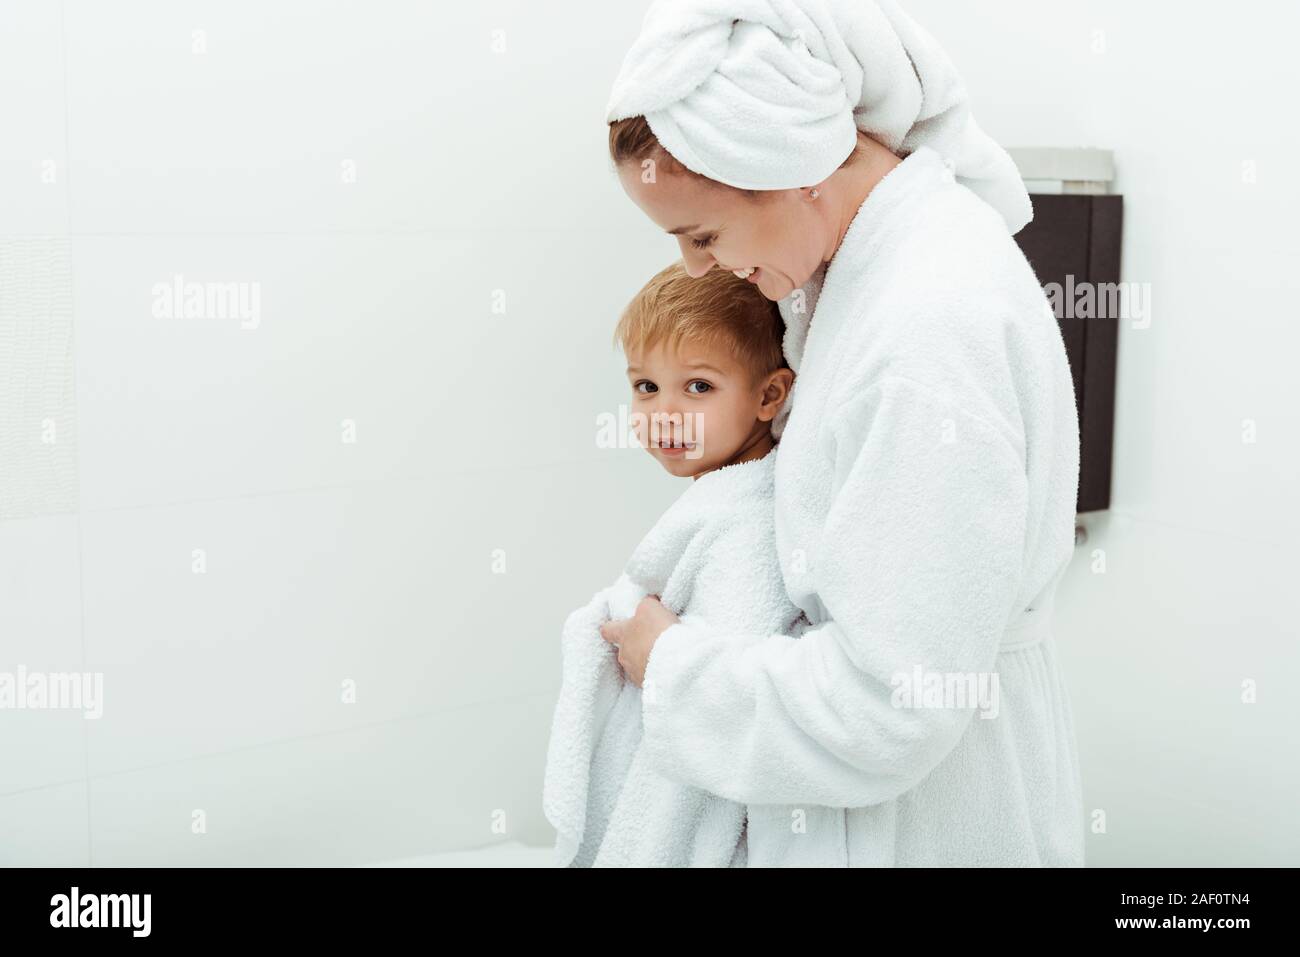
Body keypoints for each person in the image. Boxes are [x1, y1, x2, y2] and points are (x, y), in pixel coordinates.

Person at [596, 0, 1086, 866]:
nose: (696, 268)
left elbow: (892, 702)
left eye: (702, 233)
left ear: (790, 164)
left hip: (927, 821)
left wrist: (672, 665)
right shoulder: (867, 276)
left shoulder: (924, 326)